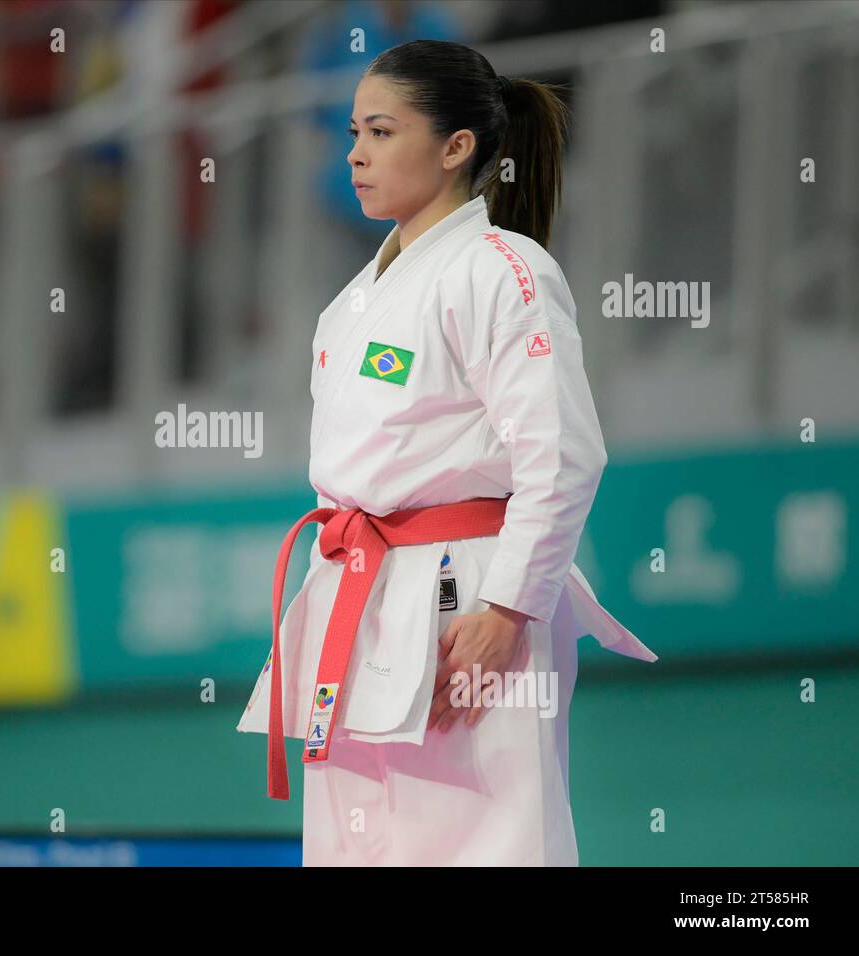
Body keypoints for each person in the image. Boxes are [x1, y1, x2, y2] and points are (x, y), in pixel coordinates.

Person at [236, 40, 658, 866]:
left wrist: (508, 608)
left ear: (456, 146)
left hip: (465, 596)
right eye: (354, 131)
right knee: (356, 844)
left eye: (383, 132)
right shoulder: (352, 301)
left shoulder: (504, 271)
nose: (355, 153)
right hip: (357, 593)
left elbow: (564, 457)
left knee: (490, 840)